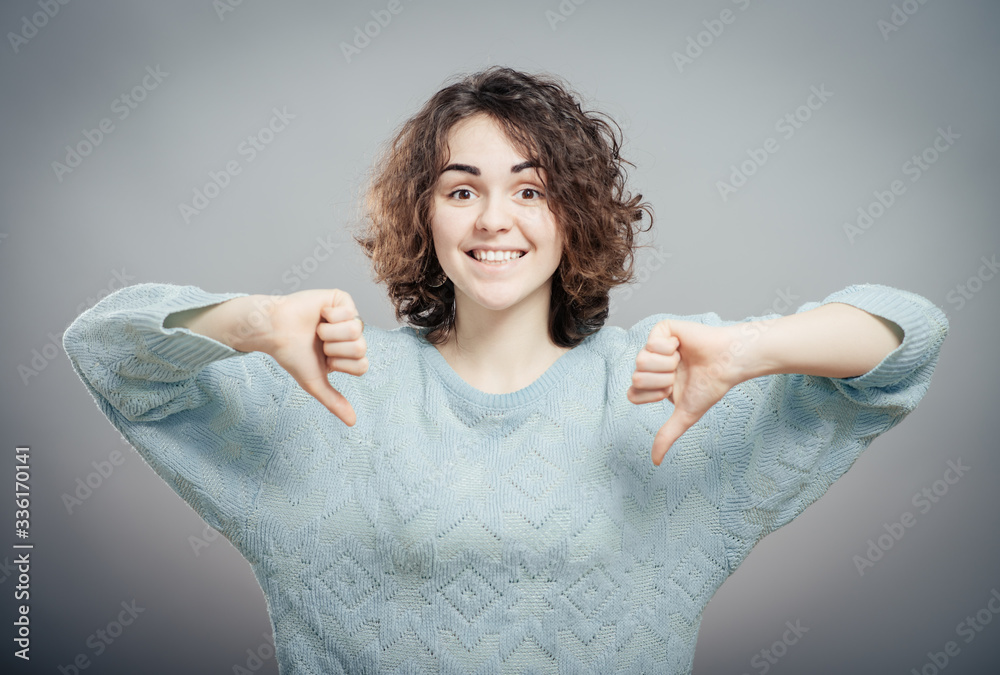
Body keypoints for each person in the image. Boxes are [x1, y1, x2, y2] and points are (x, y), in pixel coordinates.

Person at [63, 66, 948, 674]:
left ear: (575, 214)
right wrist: (251, 322)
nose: (495, 218)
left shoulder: (664, 380)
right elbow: (105, 348)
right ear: (427, 216)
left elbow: (908, 338)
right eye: (461, 189)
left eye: (530, 188)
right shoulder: (332, 384)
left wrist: (756, 347)